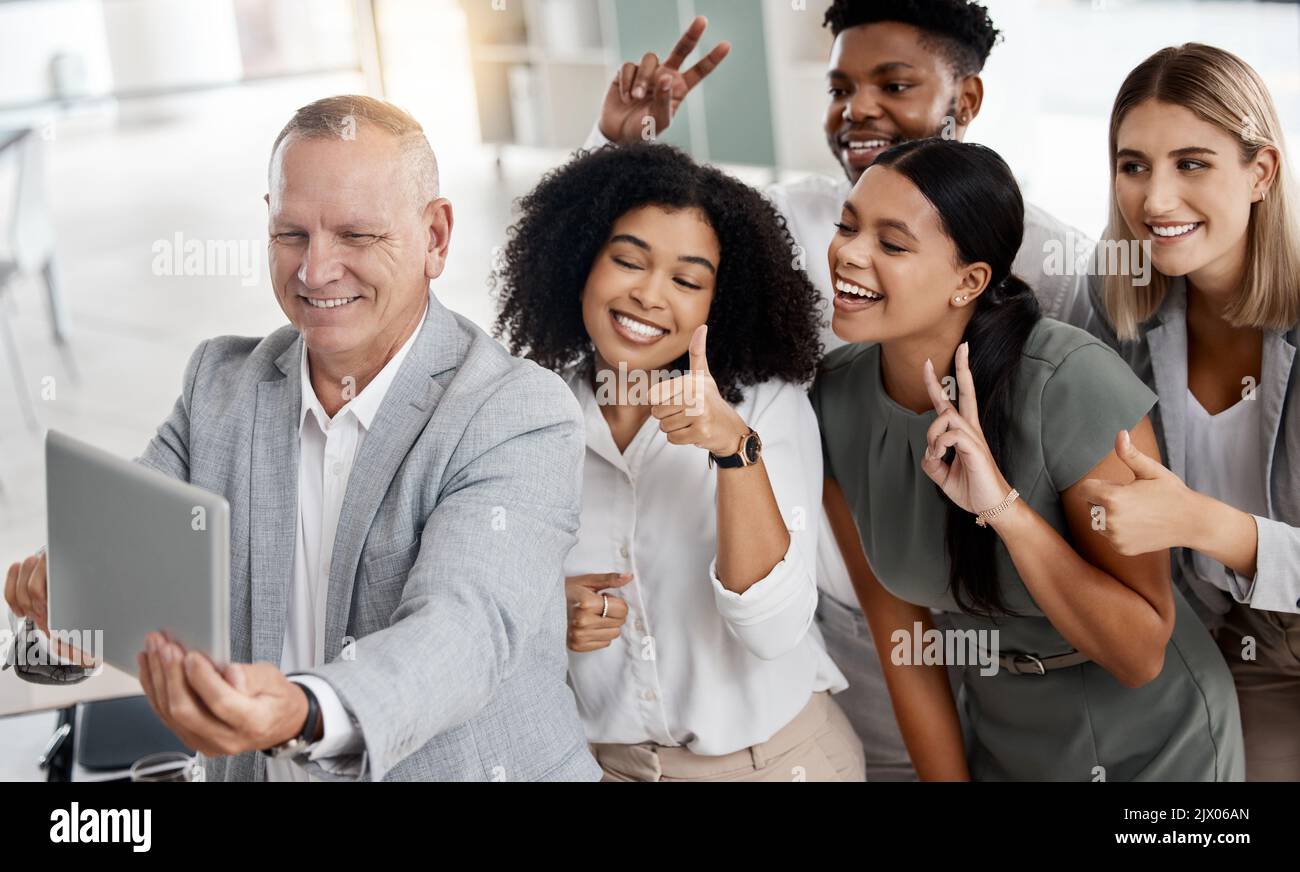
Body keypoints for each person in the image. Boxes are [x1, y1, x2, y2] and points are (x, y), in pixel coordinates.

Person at [4, 95, 599, 782]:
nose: (316, 271)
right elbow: (123, 570)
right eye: (293, 235)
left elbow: (462, 631)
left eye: (356, 235)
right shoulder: (219, 387)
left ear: (435, 237)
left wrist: (303, 711)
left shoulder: (514, 411)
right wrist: (66, 616)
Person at [589, 2, 1091, 779]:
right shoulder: (791, 226)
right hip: (857, 626)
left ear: (966, 101)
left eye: (893, 83)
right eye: (841, 88)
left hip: (1021, 636)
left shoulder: (1056, 266)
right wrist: (625, 145)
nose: (858, 109)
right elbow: (643, 256)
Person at [814, 136, 1243, 780]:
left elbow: (1139, 651)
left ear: (970, 281)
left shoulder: (1069, 383)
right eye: (848, 226)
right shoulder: (836, 398)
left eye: (891, 243)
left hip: (1157, 744)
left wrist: (1004, 511)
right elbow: (903, 641)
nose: (848, 252)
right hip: (1002, 738)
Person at [493, 142, 864, 782]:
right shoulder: (523, 415)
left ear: (718, 303)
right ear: (580, 262)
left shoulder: (764, 407)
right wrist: (543, 614)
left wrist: (733, 451)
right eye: (628, 262)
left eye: (687, 281)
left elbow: (774, 631)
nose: (648, 295)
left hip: (776, 765)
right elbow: (481, 606)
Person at [1077, 44, 1300, 781]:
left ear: (1260, 171)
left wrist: (1200, 523)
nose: (1155, 200)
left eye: (1192, 163)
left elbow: (1185, 523)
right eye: (1133, 165)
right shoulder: (1114, 307)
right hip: (1227, 642)